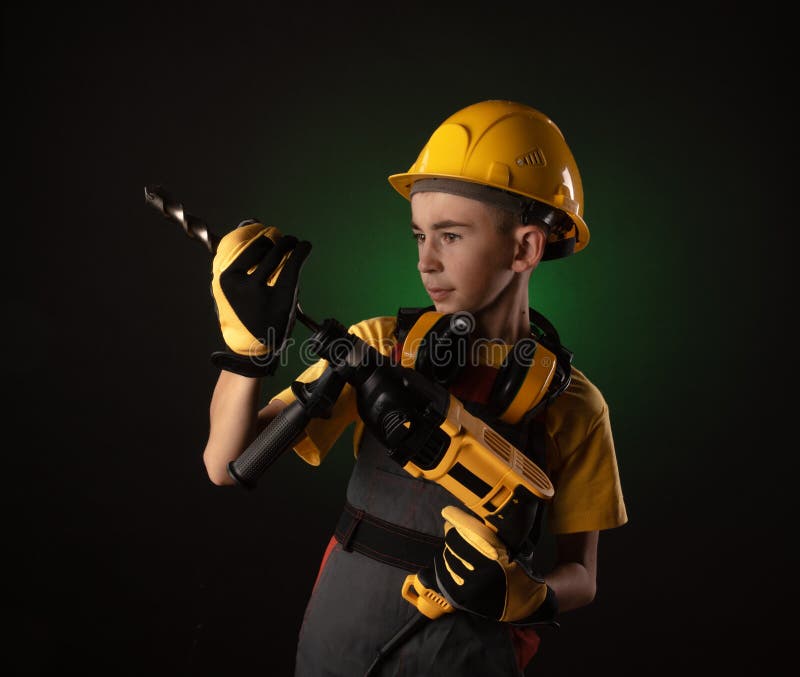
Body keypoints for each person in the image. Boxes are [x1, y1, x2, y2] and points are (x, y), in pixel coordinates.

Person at [202, 99, 628, 676]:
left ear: (525, 247)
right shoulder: (380, 346)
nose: (426, 261)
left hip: (468, 655)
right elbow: (227, 465)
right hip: (336, 639)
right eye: (419, 235)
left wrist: (533, 597)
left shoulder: (573, 404)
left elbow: (583, 576)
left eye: (450, 236)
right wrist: (246, 356)